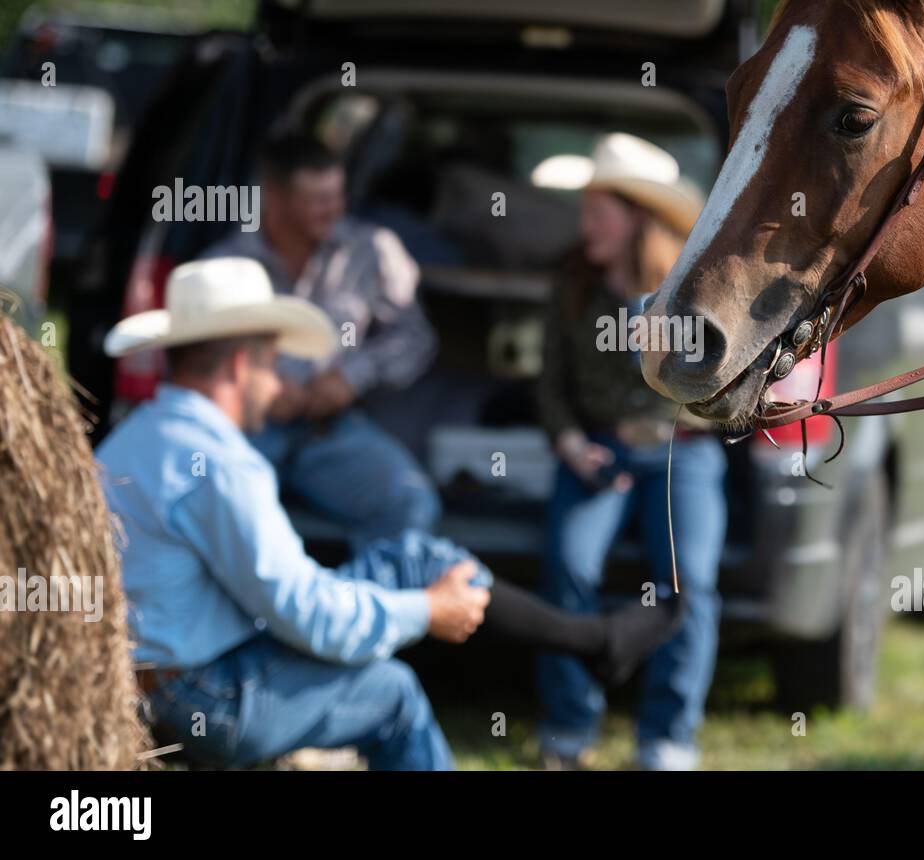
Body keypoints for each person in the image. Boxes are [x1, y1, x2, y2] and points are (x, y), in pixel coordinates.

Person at [96, 257, 679, 770]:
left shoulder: (133, 438)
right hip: (205, 695)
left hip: (154, 680)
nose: (278, 386)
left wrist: (416, 603)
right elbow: (308, 616)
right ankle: (591, 640)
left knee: (413, 556)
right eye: (273, 365)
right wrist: (427, 611)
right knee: (392, 691)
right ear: (239, 365)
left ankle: (593, 640)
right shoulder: (221, 465)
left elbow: (285, 601)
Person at [534, 133, 727, 771]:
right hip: (597, 451)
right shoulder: (570, 284)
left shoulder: (692, 287)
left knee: (689, 582)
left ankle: (667, 739)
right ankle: (568, 726)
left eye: (597, 211)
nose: (584, 225)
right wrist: (570, 445)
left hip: (682, 453)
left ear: (635, 216)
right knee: (568, 566)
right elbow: (551, 383)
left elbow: (718, 383)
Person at [203, 131, 438, 547]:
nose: (334, 210)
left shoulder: (372, 250)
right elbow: (193, 361)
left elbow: (415, 338)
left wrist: (352, 377)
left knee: (410, 502)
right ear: (275, 200)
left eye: (337, 196)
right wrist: (259, 392)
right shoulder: (225, 266)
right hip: (245, 434)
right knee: (219, 514)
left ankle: (374, 608)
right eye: (318, 199)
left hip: (330, 432)